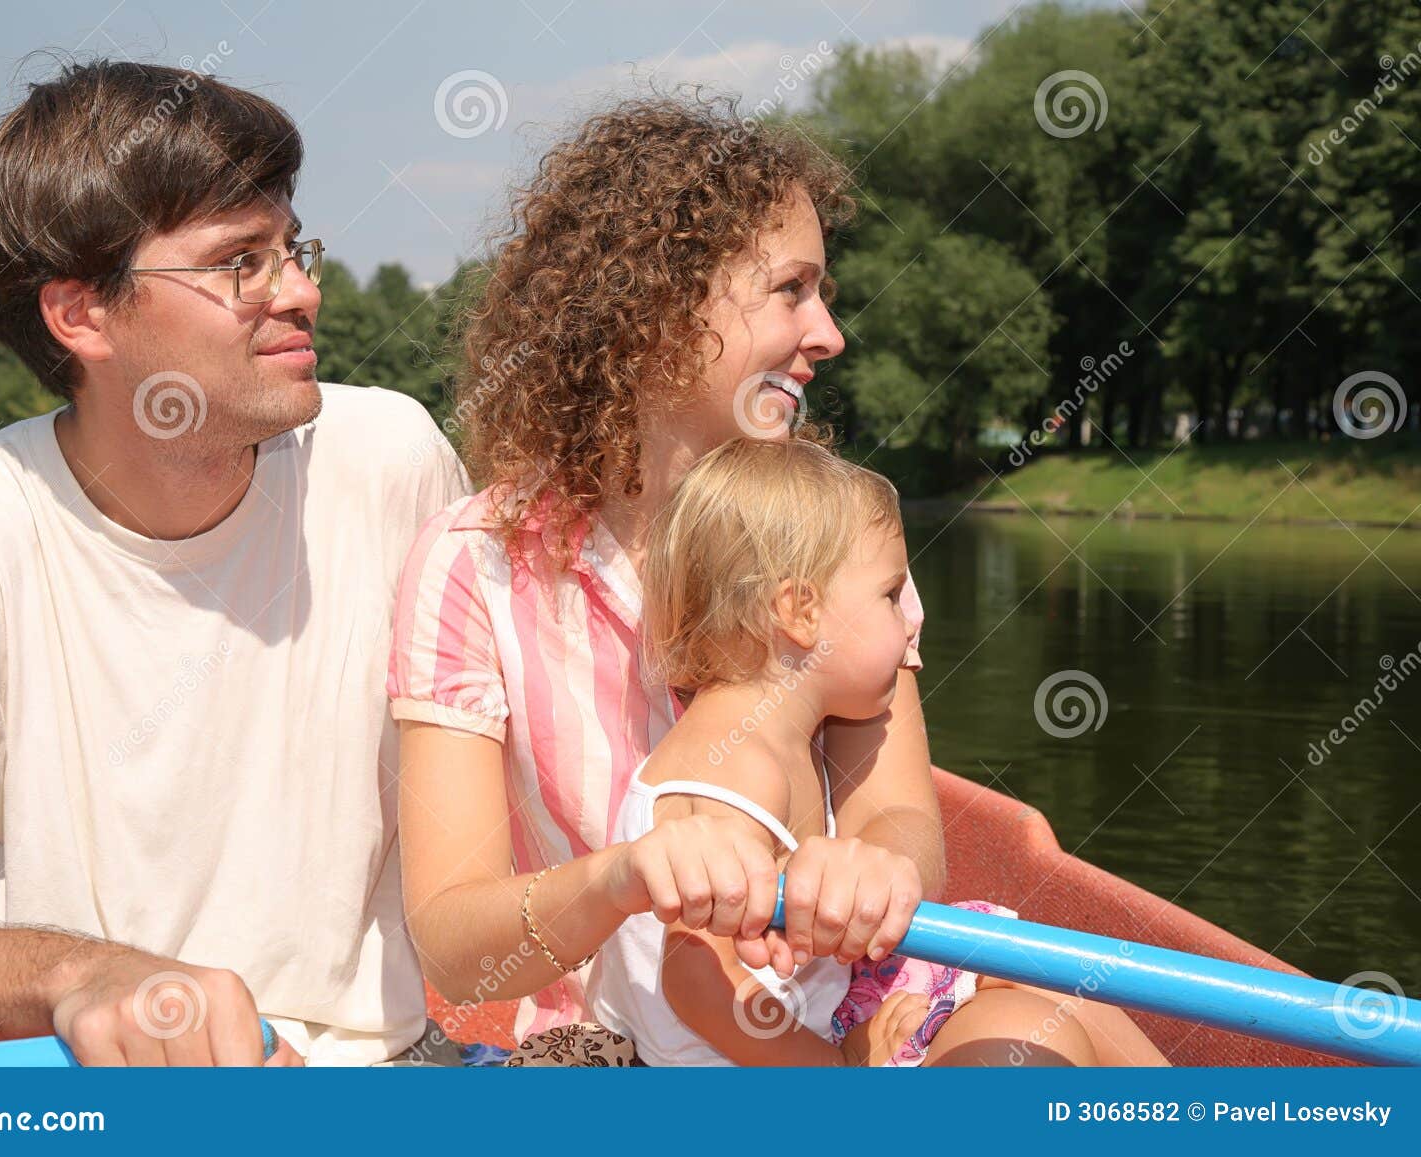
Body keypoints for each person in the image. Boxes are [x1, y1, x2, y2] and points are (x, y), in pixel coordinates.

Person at [390, 94, 1169, 1066]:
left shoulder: (838, 540)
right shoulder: (473, 563)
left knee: (1023, 1048)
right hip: (637, 1046)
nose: (830, 332)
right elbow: (457, 951)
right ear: (659, 303)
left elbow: (898, 819)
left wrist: (868, 870)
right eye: (792, 290)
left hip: (841, 1011)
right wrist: (625, 877)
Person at [0, 60, 468, 1067]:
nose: (302, 292)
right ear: (80, 315)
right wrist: (86, 979)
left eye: (294, 249)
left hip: (384, 1073)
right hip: (91, 1097)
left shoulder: (393, 460)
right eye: (238, 263)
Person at [589, 437, 1165, 1066]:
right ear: (799, 612)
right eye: (890, 595)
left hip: (809, 1029)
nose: (912, 620)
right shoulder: (736, 768)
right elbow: (700, 980)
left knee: (1048, 981)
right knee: (1038, 1007)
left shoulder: (771, 741)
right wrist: (838, 1075)